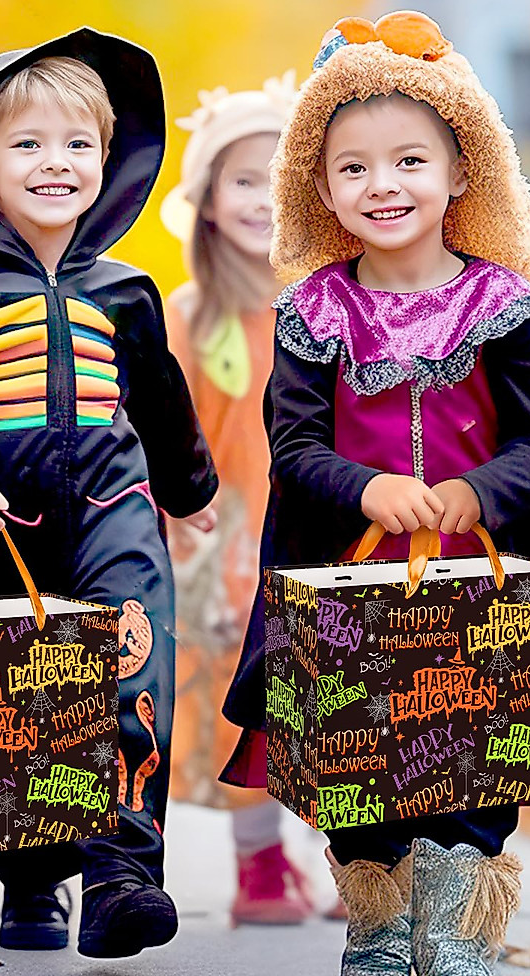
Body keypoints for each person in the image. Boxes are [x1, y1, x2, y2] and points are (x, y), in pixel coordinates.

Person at [0, 27, 218, 960]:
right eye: (26, 144)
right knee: (15, 708)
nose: (55, 162)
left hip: (116, 517)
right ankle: (30, 881)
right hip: (2, 534)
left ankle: (120, 877)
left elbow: (161, 399)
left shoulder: (127, 293)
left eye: (78, 144)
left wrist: (189, 490)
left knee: (133, 672)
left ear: (108, 161)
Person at [222, 11, 530, 975]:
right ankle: (377, 921)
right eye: (354, 167)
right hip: (348, 574)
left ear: (461, 172)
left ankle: (454, 929)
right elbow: (292, 449)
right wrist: (364, 487)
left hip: (480, 577)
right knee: (359, 756)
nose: (383, 184)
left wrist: (480, 490)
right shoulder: (313, 312)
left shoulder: (505, 306)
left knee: (475, 748)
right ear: (320, 187)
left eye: (410, 161)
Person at [162, 74, 316, 925]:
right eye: (242, 180)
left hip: (317, 523)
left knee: (334, 689)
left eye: (277, 177)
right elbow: (172, 440)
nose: (261, 198)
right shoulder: (191, 317)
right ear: (210, 203)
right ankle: (258, 862)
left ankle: (353, 863)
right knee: (243, 697)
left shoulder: (328, 306)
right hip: (226, 536)